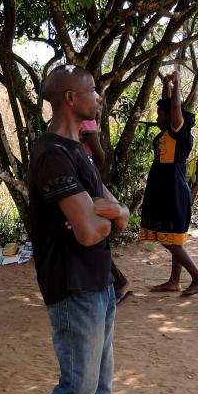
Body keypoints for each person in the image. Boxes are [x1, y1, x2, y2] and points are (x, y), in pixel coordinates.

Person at [0, 66, 144, 394]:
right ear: (71, 99)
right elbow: (88, 232)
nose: (99, 97)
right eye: (92, 90)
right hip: (72, 283)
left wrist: (109, 211)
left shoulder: (79, 150)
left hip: (98, 282)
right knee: (78, 385)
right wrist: (108, 215)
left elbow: (119, 215)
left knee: (98, 386)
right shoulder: (51, 155)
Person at [140, 71, 198, 296]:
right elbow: (169, 104)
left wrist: (177, 84)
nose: (157, 117)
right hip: (164, 187)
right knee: (173, 235)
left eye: (160, 114)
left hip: (172, 189)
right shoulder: (168, 131)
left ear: (171, 117)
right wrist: (166, 85)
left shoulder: (178, 132)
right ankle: (174, 281)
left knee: (168, 238)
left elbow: (175, 107)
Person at [78, 118, 131, 304]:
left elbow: (99, 154)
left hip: (85, 181)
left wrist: (90, 176)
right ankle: (119, 283)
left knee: (93, 236)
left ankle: (119, 284)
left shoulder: (84, 119)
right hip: (83, 179)